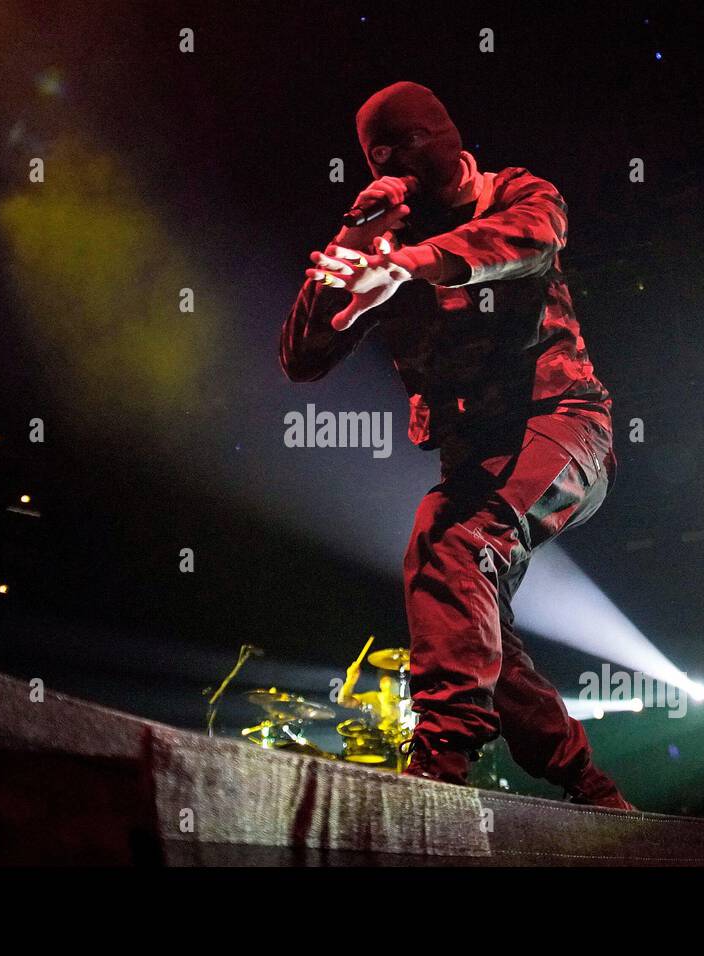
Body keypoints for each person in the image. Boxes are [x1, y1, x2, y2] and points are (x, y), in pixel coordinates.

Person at [279, 81, 632, 809]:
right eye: (379, 154)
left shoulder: (518, 193)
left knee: (456, 541)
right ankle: (588, 785)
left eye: (407, 145)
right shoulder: (385, 242)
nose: (396, 163)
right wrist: (355, 240)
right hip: (472, 461)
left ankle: (442, 758)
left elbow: (527, 243)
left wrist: (411, 265)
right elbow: (302, 357)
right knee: (456, 593)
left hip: (562, 426)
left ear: (446, 136)